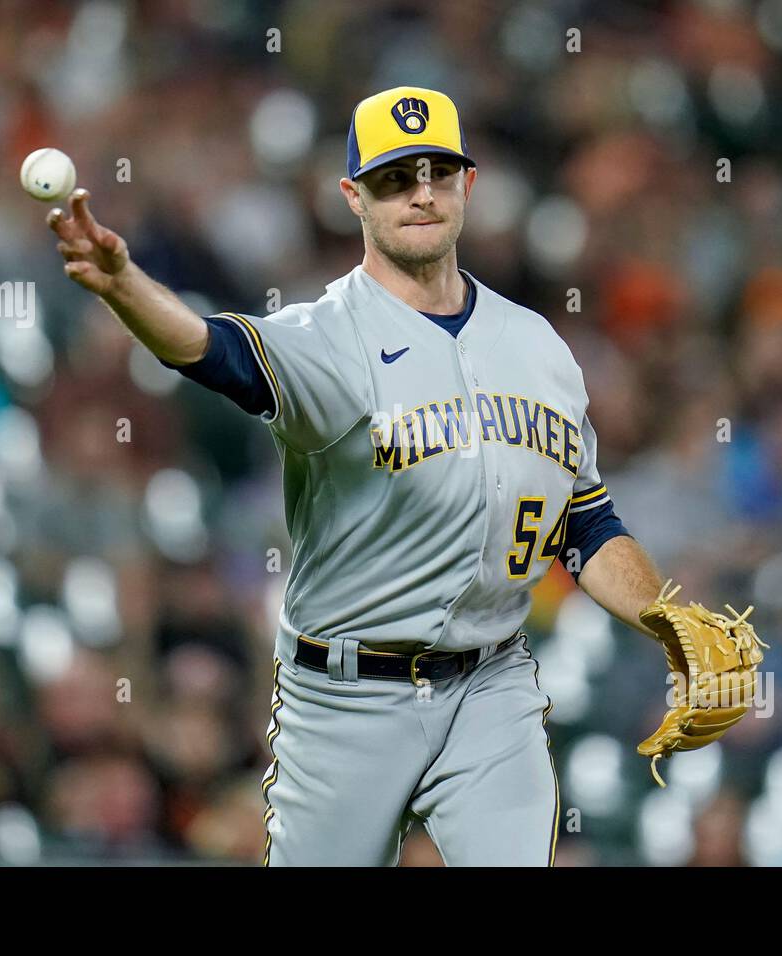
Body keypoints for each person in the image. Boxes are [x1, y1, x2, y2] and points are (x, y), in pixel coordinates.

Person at [47, 86, 665, 866]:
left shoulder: (538, 346)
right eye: (394, 178)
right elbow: (212, 351)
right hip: (347, 693)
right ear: (354, 198)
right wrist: (124, 287)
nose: (421, 193)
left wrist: (667, 619)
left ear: (467, 186)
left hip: (492, 685)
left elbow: (589, 524)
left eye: (439, 173)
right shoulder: (325, 337)